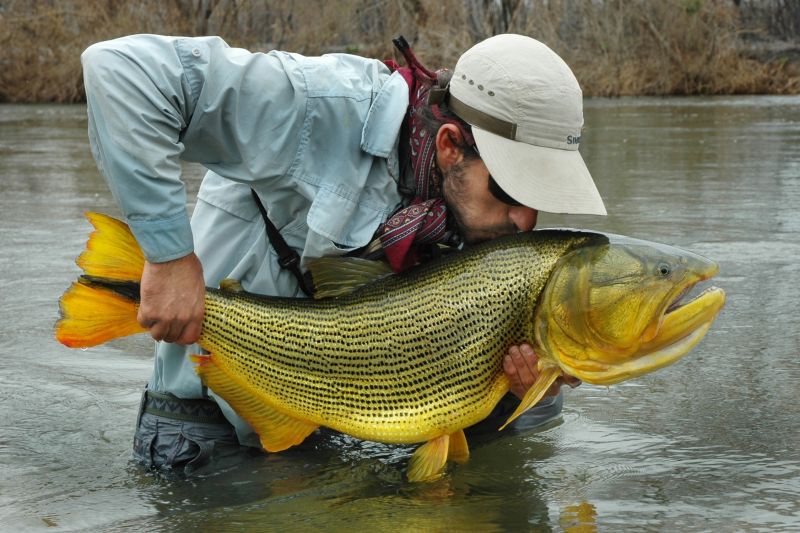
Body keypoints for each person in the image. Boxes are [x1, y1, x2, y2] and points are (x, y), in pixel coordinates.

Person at [80, 32, 606, 474]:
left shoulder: (471, 217)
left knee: (530, 422)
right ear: (450, 145)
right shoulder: (316, 106)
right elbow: (119, 70)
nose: (525, 221)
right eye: (513, 191)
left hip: (337, 426)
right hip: (208, 424)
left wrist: (525, 385)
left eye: (540, 199)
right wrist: (169, 255)